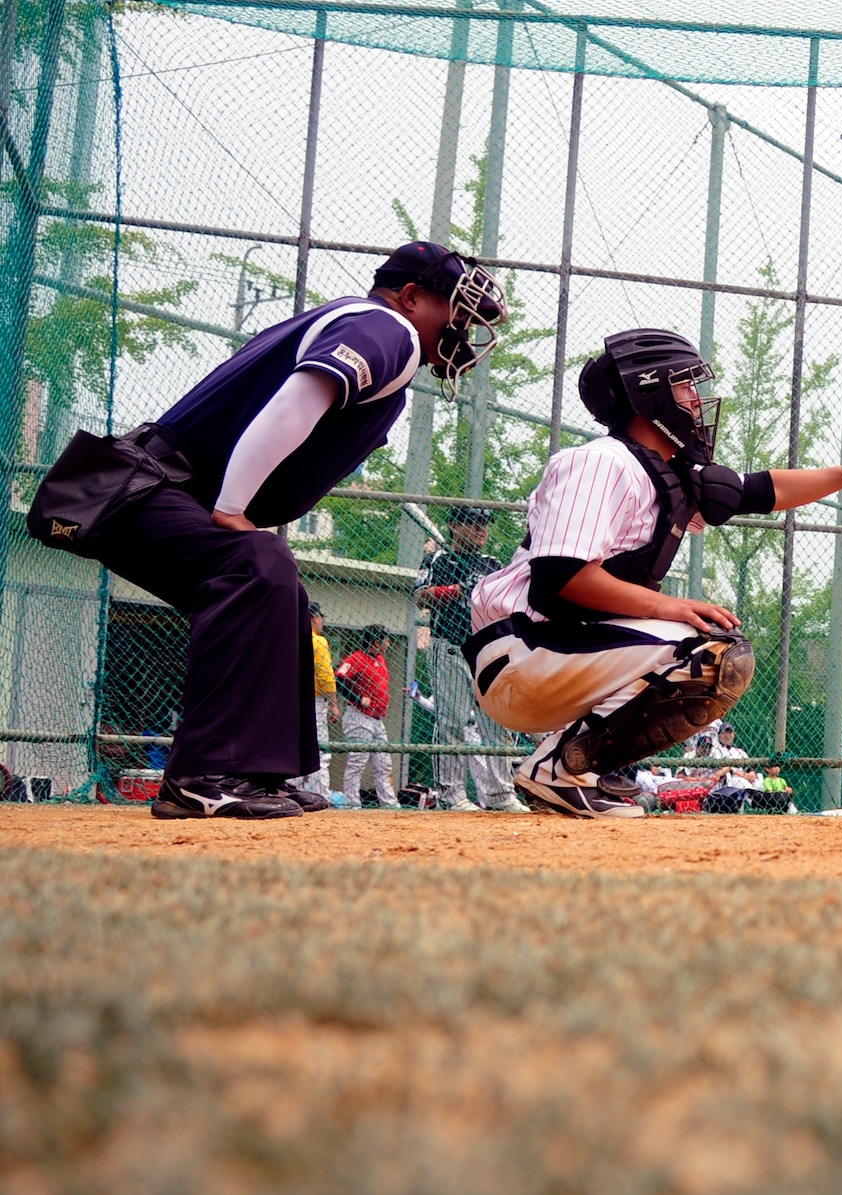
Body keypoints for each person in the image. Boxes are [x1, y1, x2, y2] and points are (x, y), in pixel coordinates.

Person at [37, 240, 505, 820]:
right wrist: (234, 509)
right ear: (411, 297)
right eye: (455, 313)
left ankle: (256, 774)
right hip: (152, 488)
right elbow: (300, 398)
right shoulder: (390, 330)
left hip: (164, 487)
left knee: (284, 596)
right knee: (254, 566)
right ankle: (205, 775)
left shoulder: (365, 324)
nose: (462, 331)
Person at [461, 328, 842, 817]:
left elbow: (762, 491)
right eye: (685, 386)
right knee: (710, 648)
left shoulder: (664, 473)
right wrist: (674, 606)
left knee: (715, 646)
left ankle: (568, 770)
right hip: (522, 649)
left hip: (559, 653)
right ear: (646, 392)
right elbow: (558, 579)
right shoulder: (599, 462)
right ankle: (558, 768)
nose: (698, 399)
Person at [415, 505, 528, 813]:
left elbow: (507, 603)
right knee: (451, 721)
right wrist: (456, 589)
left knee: (498, 723)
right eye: (472, 523)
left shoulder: (492, 563)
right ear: (454, 526)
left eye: (483, 524)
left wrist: (485, 590)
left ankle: (500, 795)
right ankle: (451, 796)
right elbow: (420, 595)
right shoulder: (438, 560)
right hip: (449, 646)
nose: (481, 529)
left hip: (486, 651)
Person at [336, 625, 399, 809]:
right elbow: (339, 680)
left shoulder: (380, 659)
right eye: (385, 640)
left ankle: (389, 804)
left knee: (383, 763)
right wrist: (357, 698)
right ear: (376, 642)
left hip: (377, 719)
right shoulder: (356, 658)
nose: (388, 644)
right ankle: (352, 803)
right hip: (359, 716)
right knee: (357, 762)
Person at [292, 601, 336, 798]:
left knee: (293, 748)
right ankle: (320, 796)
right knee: (320, 751)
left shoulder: (289, 638)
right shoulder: (317, 641)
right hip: (315, 701)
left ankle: (292, 793)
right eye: (319, 617)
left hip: (290, 701)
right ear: (313, 618)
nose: (321, 621)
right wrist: (334, 703)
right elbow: (325, 675)